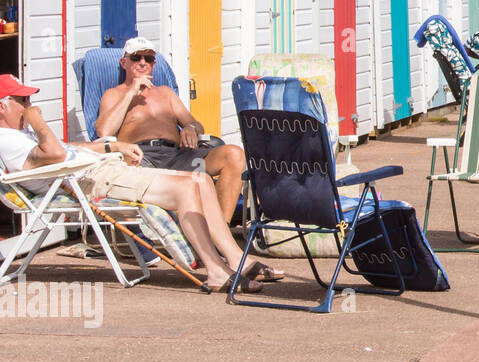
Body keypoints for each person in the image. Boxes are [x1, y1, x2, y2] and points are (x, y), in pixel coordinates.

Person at [0, 74, 274, 293]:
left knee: (201, 178)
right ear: (3, 105)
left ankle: (236, 258)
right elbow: (56, 155)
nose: (28, 106)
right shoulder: (7, 137)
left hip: (104, 167)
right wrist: (38, 123)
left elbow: (68, 146)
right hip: (89, 180)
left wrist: (113, 146)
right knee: (187, 187)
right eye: (22, 100)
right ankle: (215, 269)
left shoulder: (20, 133)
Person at [95, 38, 246, 223]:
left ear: (154, 64)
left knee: (234, 155)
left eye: (148, 58)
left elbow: (196, 124)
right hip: (141, 159)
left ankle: (220, 230)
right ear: (123, 62)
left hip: (178, 157)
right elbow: (104, 131)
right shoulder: (114, 95)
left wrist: (190, 129)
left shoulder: (166, 93)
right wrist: (131, 91)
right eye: (136, 57)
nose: (143, 62)